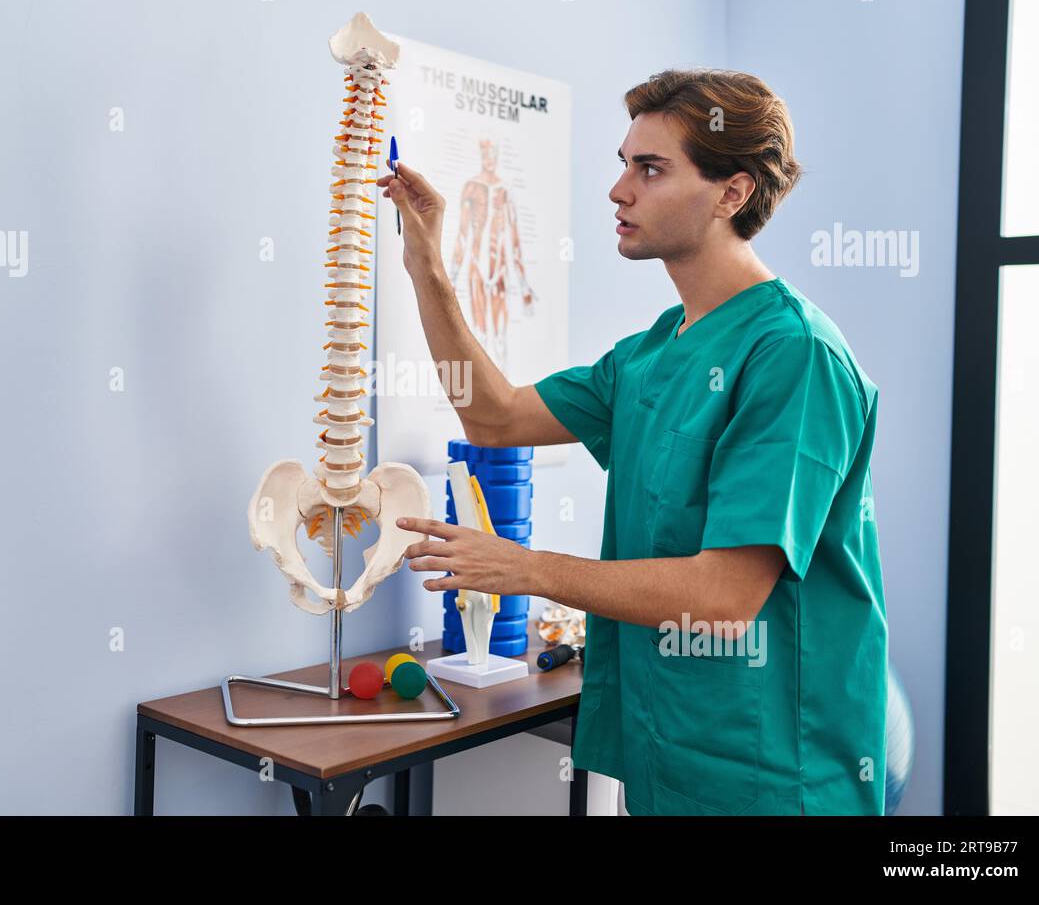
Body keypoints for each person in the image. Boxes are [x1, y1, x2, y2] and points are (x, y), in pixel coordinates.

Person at [377, 68, 887, 816]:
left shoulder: (794, 355)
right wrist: (427, 263)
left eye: (650, 169)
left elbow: (722, 598)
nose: (619, 190)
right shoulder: (650, 354)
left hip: (775, 774)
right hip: (668, 757)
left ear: (731, 193)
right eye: (623, 165)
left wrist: (525, 568)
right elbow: (494, 418)